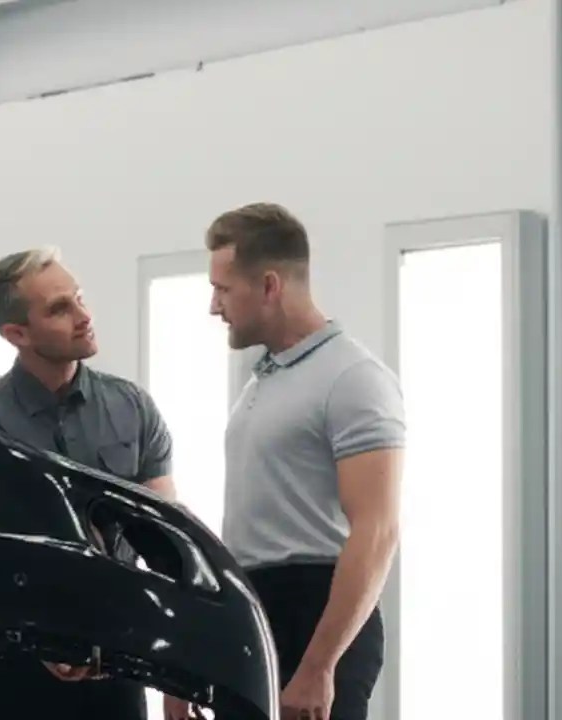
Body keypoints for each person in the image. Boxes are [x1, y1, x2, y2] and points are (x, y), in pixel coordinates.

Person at [188, 202, 405, 720]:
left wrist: (319, 665)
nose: (214, 307)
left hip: (313, 613)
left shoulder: (353, 378)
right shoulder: (264, 378)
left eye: (222, 290)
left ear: (269, 286)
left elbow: (377, 531)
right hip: (254, 610)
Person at [0, 246, 185, 720]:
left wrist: (177, 667)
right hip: (13, 671)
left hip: (117, 658)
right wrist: (37, 637)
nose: (84, 316)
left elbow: (168, 545)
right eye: (60, 308)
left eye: (79, 298)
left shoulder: (133, 408)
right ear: (16, 333)